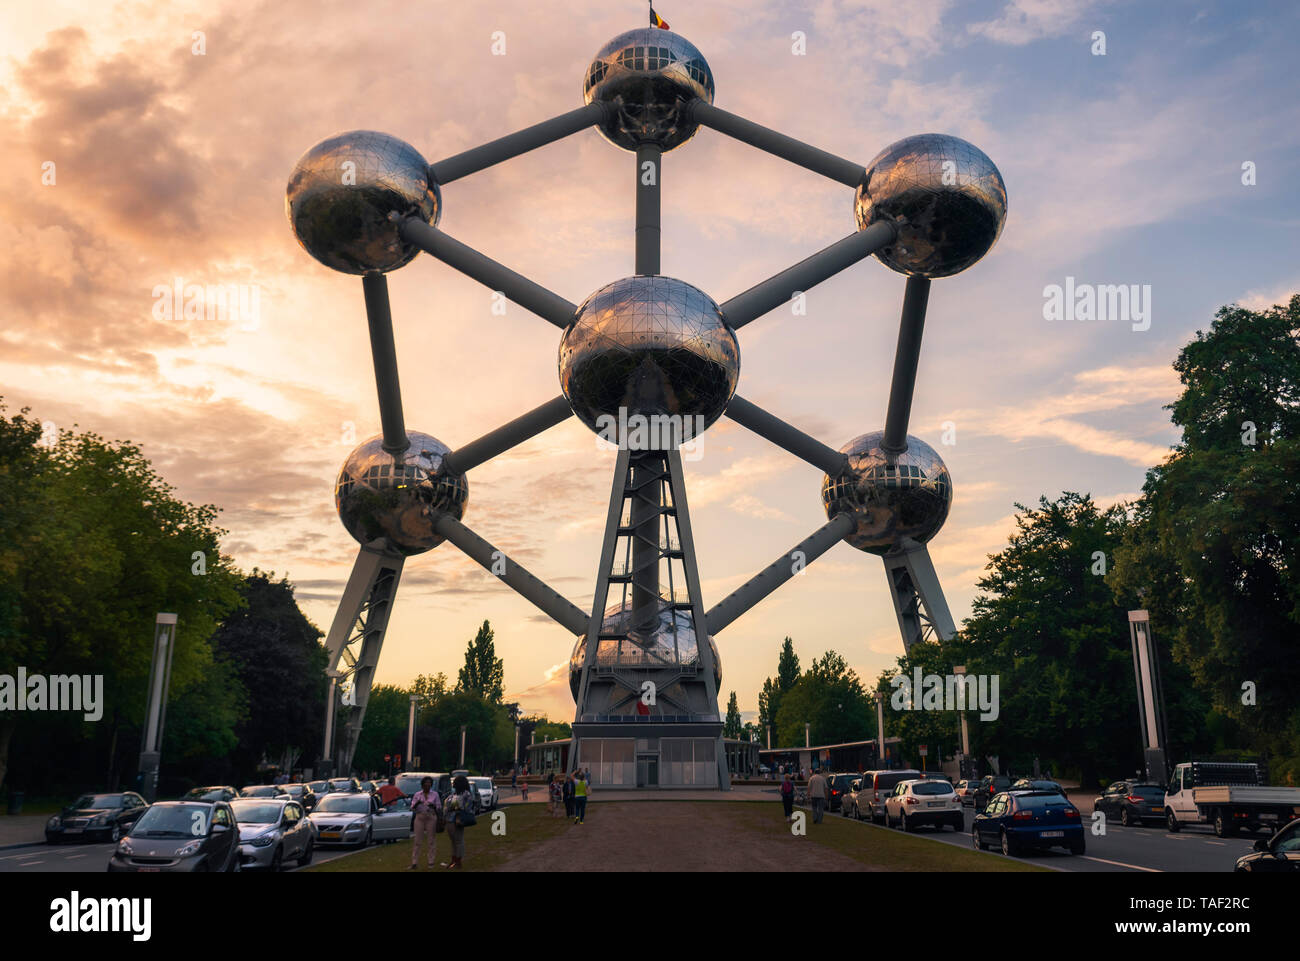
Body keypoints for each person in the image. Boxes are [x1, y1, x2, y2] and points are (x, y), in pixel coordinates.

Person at [442, 775, 474, 869]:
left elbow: (467, 807)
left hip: (457, 820)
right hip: (450, 820)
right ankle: (453, 860)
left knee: (458, 841)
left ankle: (458, 861)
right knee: (453, 841)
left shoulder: (466, 794)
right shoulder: (454, 794)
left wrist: (456, 808)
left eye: (455, 783)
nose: (454, 785)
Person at [409, 776, 441, 870]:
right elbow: (412, 807)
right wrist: (417, 804)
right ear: (422, 785)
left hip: (431, 816)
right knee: (417, 841)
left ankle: (431, 862)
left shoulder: (435, 794)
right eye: (425, 783)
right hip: (420, 817)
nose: (427, 785)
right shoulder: (417, 794)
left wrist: (433, 806)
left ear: (431, 784)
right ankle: (414, 862)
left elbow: (439, 807)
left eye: (429, 783)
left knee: (431, 840)